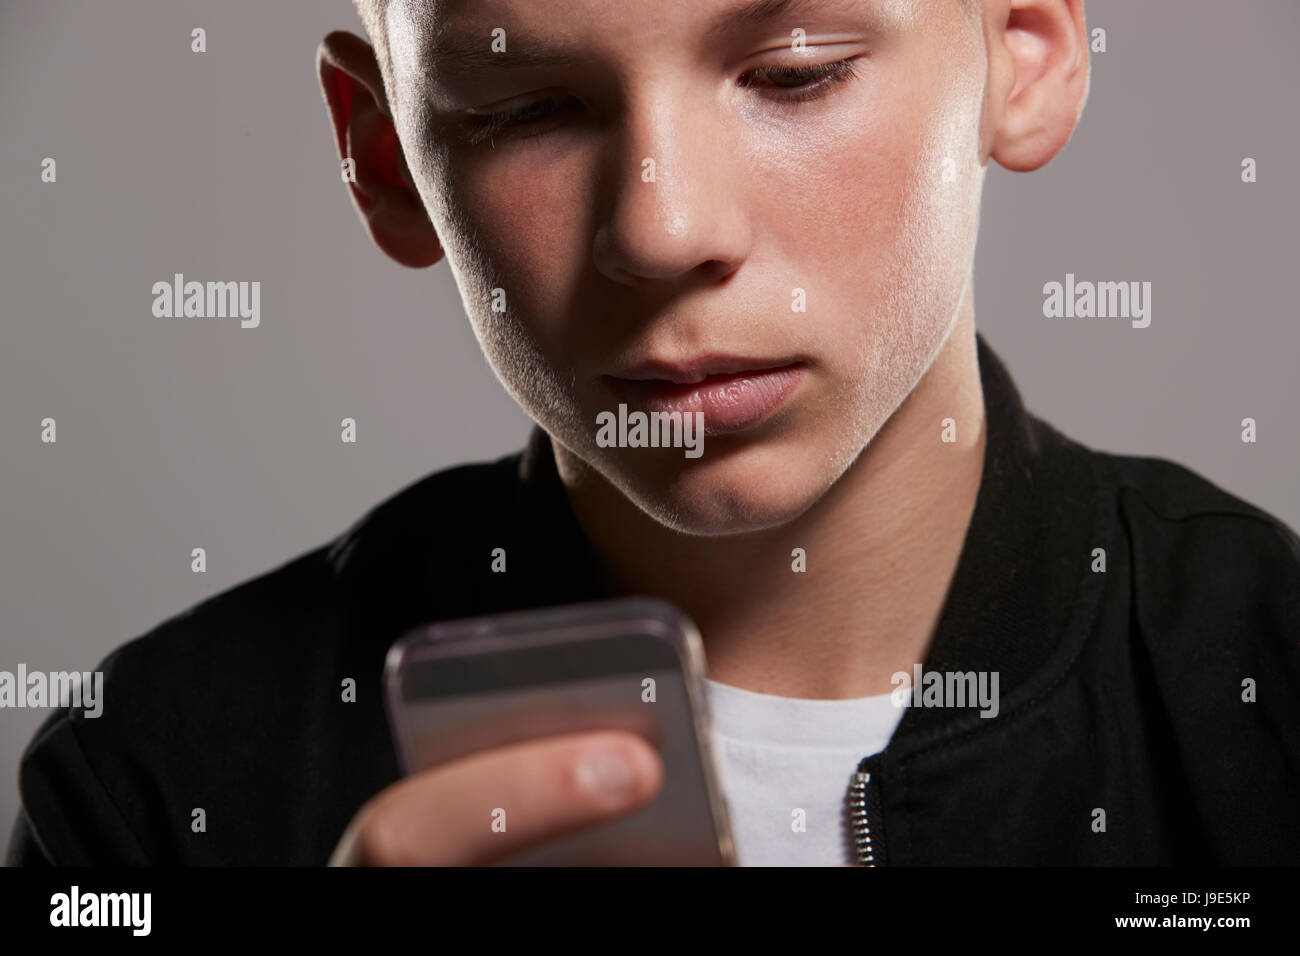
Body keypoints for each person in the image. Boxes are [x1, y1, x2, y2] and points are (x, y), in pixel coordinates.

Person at [9, 0, 1299, 867]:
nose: (663, 229)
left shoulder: (1267, 688)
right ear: (385, 156)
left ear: (1023, 46)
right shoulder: (142, 791)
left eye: (795, 73)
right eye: (522, 106)